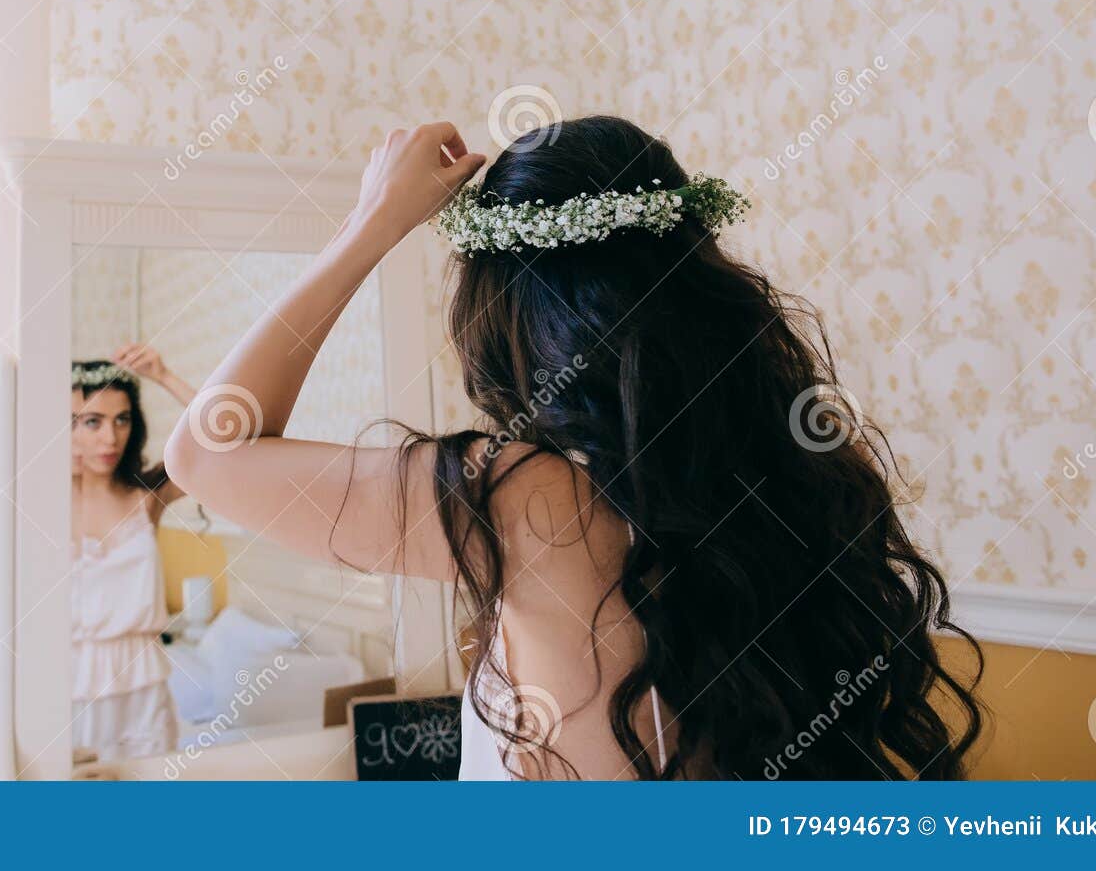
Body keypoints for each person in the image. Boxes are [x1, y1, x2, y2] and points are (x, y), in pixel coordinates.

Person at [163, 116, 984, 780]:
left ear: (510, 311)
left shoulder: (531, 498)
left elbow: (205, 452)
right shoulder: (793, 473)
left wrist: (370, 224)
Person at [70, 344, 195, 762]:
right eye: (92, 422)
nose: (110, 437)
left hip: (143, 685)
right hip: (65, 683)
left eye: (121, 420)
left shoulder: (148, 498)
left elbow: (229, 441)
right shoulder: (34, 503)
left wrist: (164, 375)